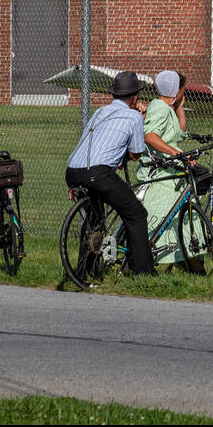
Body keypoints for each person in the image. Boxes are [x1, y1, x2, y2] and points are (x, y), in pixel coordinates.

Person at [65, 71, 156, 275]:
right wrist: (141, 117)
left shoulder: (99, 112)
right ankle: (144, 273)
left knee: (94, 219)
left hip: (72, 170)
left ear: (113, 95)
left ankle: (86, 271)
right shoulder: (134, 116)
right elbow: (135, 154)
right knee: (136, 215)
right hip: (98, 173)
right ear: (135, 98)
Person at [136, 70, 207, 269]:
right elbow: (150, 136)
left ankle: (190, 264)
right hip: (161, 172)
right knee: (177, 215)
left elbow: (180, 133)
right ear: (176, 90)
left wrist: (180, 107)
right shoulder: (159, 108)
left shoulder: (168, 108)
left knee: (186, 213)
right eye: (183, 90)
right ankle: (191, 266)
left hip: (171, 169)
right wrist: (177, 154)